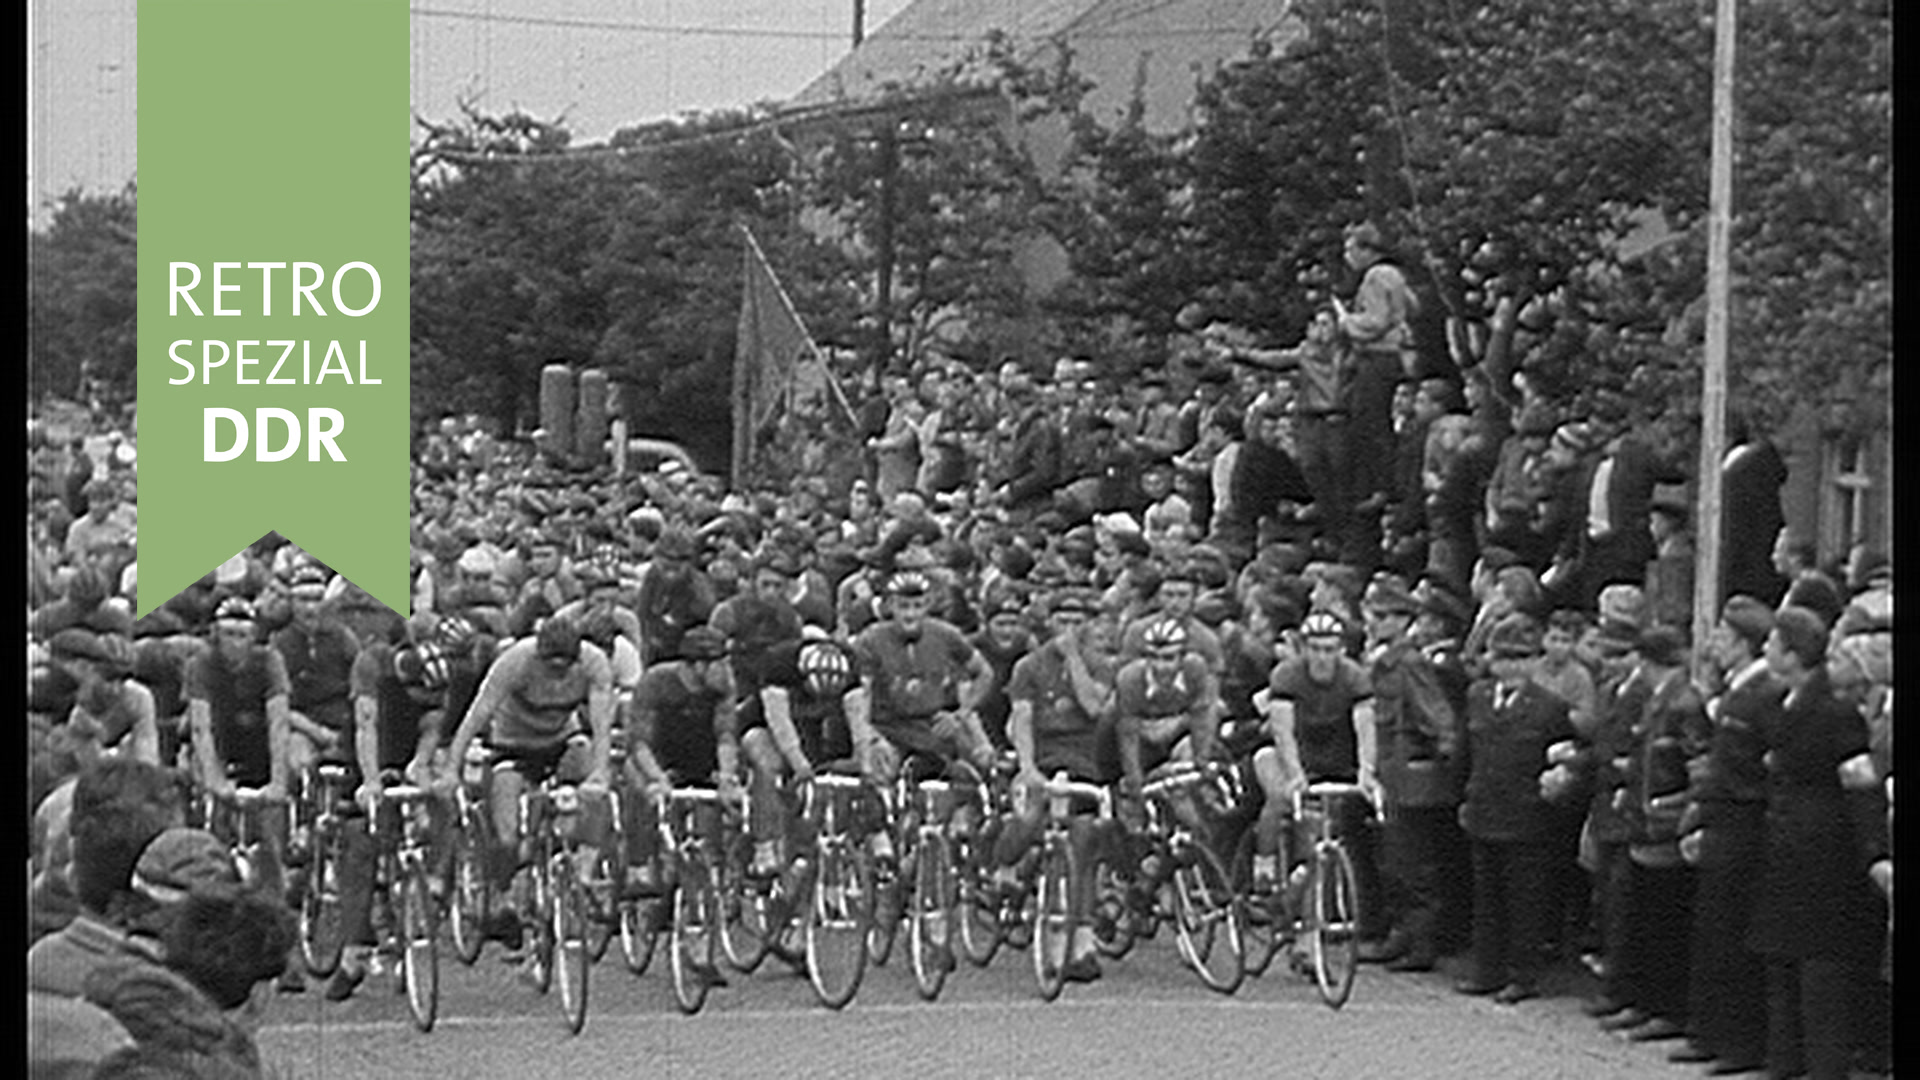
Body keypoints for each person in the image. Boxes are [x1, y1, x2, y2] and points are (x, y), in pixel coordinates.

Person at [1747, 607, 1888, 1080]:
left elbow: (1861, 785)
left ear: (1792, 653)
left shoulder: (1835, 712)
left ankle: (1825, 1069)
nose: (1765, 650)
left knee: (1819, 977)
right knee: (1781, 966)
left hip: (1823, 854)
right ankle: (1783, 1064)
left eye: (1772, 643)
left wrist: (1875, 853)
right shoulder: (1776, 703)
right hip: (1783, 849)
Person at [440, 616, 615, 953]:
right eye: (552, 666)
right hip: (511, 744)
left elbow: (601, 722)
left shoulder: (594, 662)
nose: (558, 675)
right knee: (506, 838)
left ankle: (584, 868)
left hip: (563, 739)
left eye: (566, 668)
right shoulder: (515, 662)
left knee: (596, 785)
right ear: (539, 655)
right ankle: (500, 895)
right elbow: (476, 717)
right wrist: (451, 768)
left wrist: (600, 772)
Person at [1666, 596, 1780, 1074]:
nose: (1712, 644)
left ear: (1742, 643)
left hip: (1743, 823)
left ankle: (1737, 1042)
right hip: (1722, 816)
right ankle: (1709, 1031)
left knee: (1730, 932)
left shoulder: (1760, 695)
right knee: (1711, 928)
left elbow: (1749, 768)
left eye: (1720, 636)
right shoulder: (1734, 692)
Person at [998, 589, 1126, 983]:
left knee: (1084, 845)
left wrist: (1073, 659)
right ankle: (1006, 867)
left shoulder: (1099, 664)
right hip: (1043, 757)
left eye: (1076, 622)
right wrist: (1027, 766)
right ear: (1049, 622)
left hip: (1085, 761)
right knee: (1032, 815)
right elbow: (1021, 718)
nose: (1068, 629)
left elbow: (1093, 707)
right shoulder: (1028, 667)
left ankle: (1080, 942)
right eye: (1062, 621)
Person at [1454, 613, 1573, 1004]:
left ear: (1534, 661)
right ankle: (1485, 970)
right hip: (1483, 806)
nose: (1510, 666)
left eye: (1520, 658)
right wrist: (1463, 797)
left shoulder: (1550, 708)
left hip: (1527, 817)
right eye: (1503, 657)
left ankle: (1524, 975)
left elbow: (1560, 767)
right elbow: (1464, 753)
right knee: (1486, 897)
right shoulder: (1477, 697)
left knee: (1525, 900)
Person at [1252, 610, 1386, 950]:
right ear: (1304, 649)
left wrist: (1367, 773)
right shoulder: (1287, 675)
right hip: (1287, 755)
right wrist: (1295, 774)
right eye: (1315, 648)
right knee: (1282, 795)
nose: (1322, 657)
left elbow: (1365, 728)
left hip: (1333, 760)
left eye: (1330, 649)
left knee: (1315, 843)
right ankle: (1264, 866)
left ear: (1340, 650)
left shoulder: (1355, 677)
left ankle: (1307, 932)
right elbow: (1283, 731)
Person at [1360, 576, 1460, 972]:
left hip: (1406, 776)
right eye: (1374, 614)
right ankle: (1400, 933)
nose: (1376, 622)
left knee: (1411, 862)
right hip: (1384, 770)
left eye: (1386, 615)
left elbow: (1438, 717)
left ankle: (1420, 943)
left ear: (1404, 620)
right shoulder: (1380, 660)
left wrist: (1439, 755)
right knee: (1391, 859)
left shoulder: (1410, 663)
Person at [845, 571, 997, 787]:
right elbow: (860, 696)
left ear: (927, 605)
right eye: (903, 606)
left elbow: (984, 673)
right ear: (889, 606)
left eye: (917, 606)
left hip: (932, 729)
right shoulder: (870, 640)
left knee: (980, 763)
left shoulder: (946, 635)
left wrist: (960, 715)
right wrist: (870, 738)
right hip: (888, 729)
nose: (910, 614)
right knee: (879, 767)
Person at [1336, 222, 1421, 513]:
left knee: (1370, 421)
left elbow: (1376, 321)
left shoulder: (1376, 276)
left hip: (1378, 356)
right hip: (1393, 357)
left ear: (1365, 250)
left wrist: (1346, 321)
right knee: (1378, 419)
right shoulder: (1397, 276)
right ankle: (1385, 484)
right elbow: (1412, 306)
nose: (1347, 256)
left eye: (1350, 249)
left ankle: (1383, 485)